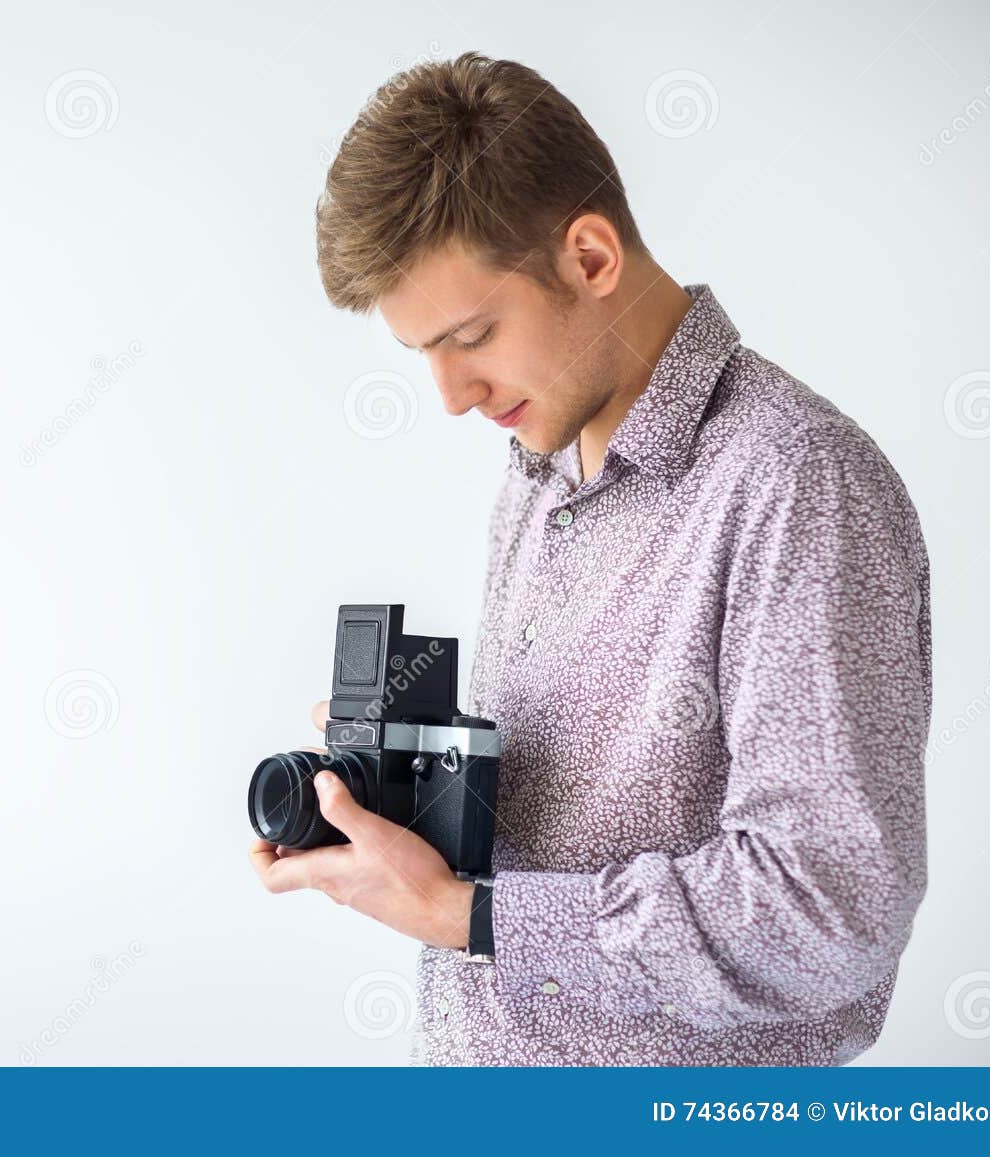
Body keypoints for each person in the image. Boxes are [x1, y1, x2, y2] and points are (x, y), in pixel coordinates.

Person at [247, 53, 931, 1066]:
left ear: (592, 256)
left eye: (472, 334)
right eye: (422, 353)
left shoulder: (795, 482)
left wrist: (467, 915)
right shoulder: (539, 471)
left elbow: (825, 906)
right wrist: (416, 792)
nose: (450, 395)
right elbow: (576, 830)